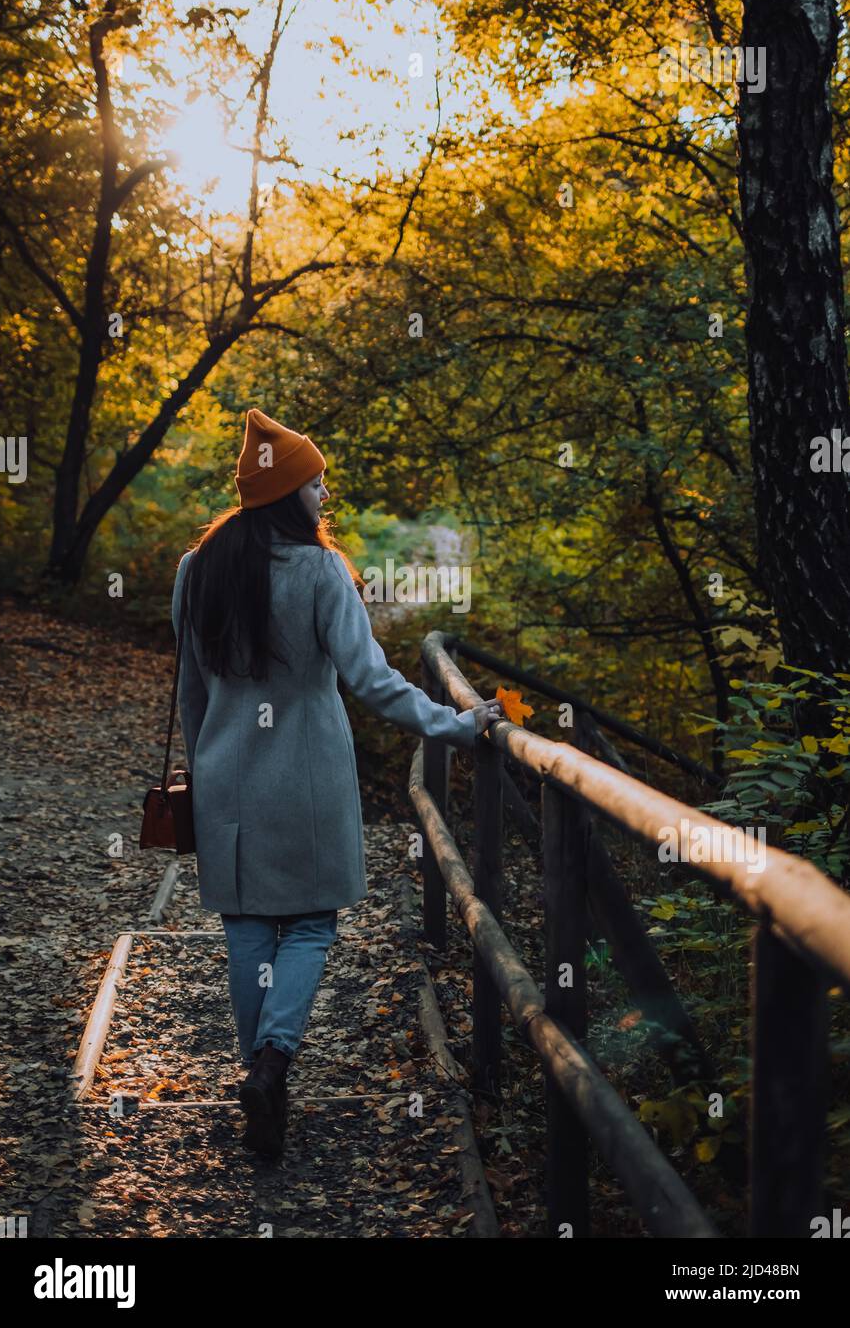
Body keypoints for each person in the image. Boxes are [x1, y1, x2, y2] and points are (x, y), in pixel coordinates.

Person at [170, 407, 502, 1159]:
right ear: (290, 493)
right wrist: (460, 722)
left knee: (248, 928)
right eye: (317, 485)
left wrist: (207, 766)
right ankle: (275, 1059)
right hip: (310, 781)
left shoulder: (199, 569)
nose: (324, 498)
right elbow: (374, 684)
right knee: (312, 924)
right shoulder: (320, 570)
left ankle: (258, 1074)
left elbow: (189, 692)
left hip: (227, 780)